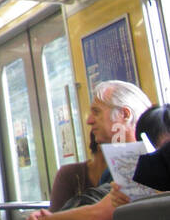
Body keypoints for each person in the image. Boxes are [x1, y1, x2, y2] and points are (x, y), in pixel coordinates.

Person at [48, 80, 153, 210]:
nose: (89, 120)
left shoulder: (147, 162)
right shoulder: (111, 171)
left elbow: (98, 219)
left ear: (125, 114)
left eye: (97, 112)